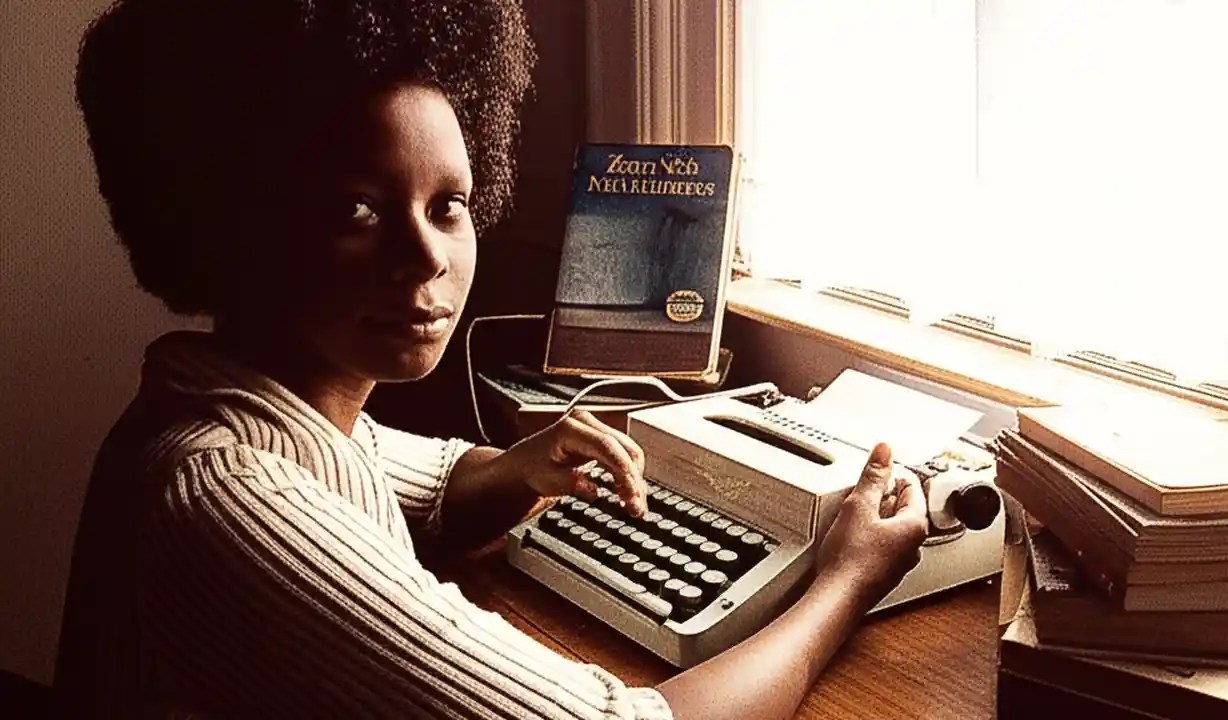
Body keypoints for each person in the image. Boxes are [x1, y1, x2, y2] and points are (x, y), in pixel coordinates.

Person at [54, 0, 929, 718]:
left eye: (449, 204)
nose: (427, 256)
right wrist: (846, 580)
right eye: (357, 211)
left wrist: (524, 466)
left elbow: (430, 483)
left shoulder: (242, 404)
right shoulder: (230, 493)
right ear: (233, 224)